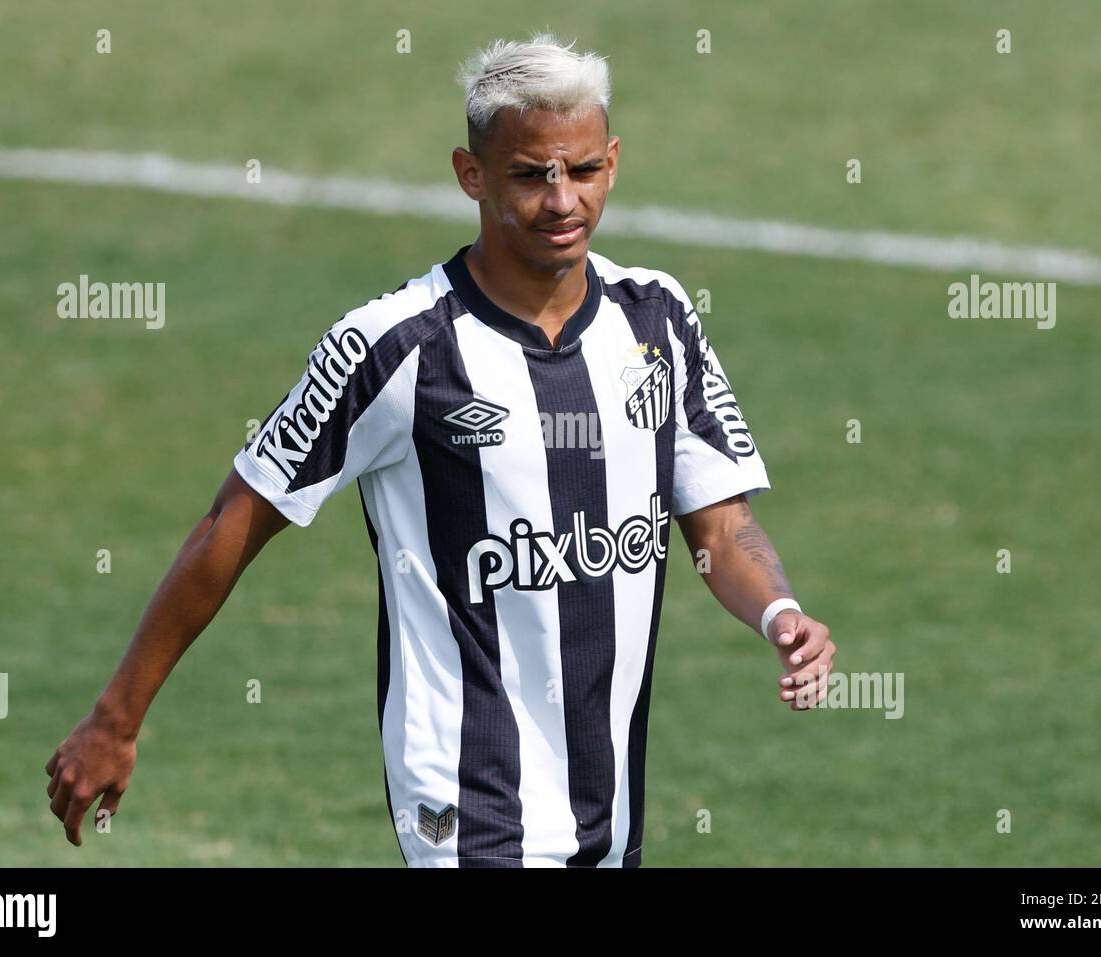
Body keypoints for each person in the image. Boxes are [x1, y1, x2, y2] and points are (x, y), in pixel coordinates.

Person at [46, 31, 835, 868]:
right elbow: (231, 525)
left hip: (608, 810)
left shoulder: (659, 321)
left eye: (583, 170)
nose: (562, 199)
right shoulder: (393, 347)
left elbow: (721, 528)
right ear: (473, 175)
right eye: (531, 174)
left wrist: (781, 612)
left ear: (613, 161)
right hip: (467, 804)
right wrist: (116, 718)